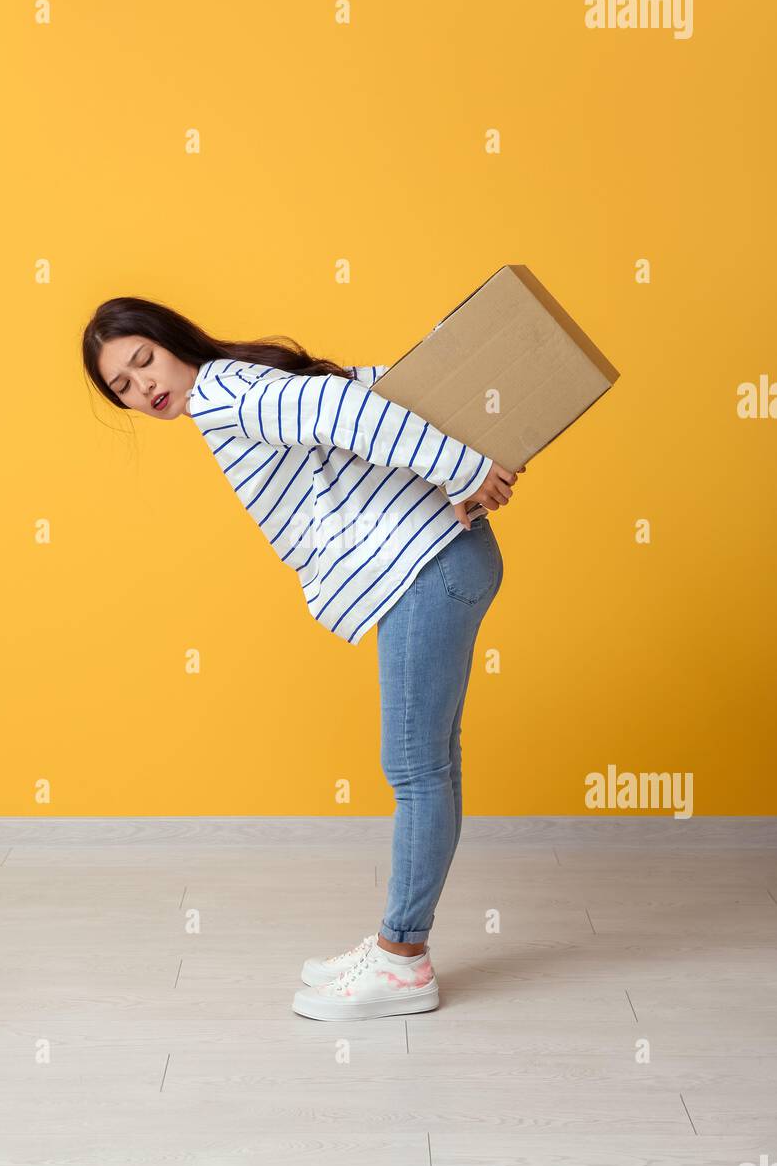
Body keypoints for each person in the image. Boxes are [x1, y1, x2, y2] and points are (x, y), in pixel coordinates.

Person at [82, 295, 524, 1022]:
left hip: (425, 566)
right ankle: (395, 943)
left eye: (143, 362)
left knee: (416, 769)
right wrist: (455, 415)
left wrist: (464, 465)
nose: (144, 388)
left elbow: (353, 415)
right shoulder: (238, 384)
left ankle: (402, 961)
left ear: (167, 341)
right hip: (434, 561)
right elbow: (362, 394)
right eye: (123, 387)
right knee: (430, 764)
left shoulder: (225, 393)